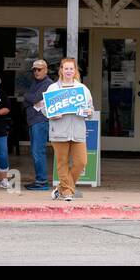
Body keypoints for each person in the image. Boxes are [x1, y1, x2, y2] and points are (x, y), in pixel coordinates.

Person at [46, 57, 95, 201]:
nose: (68, 71)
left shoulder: (82, 89)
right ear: (61, 70)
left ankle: (62, 188)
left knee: (81, 162)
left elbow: (90, 108)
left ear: (75, 71)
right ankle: (67, 192)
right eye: (65, 68)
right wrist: (53, 115)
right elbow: (45, 109)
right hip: (59, 131)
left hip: (78, 131)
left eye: (71, 69)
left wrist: (89, 112)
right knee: (62, 162)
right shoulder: (53, 88)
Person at [23, 59, 56, 191]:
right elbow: (26, 103)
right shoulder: (35, 83)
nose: (36, 72)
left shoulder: (48, 84)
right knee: (35, 151)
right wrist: (29, 98)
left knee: (38, 151)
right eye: (34, 70)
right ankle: (39, 180)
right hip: (33, 120)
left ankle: (42, 181)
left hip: (40, 121)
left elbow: (34, 98)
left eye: (39, 69)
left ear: (46, 70)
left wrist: (26, 96)